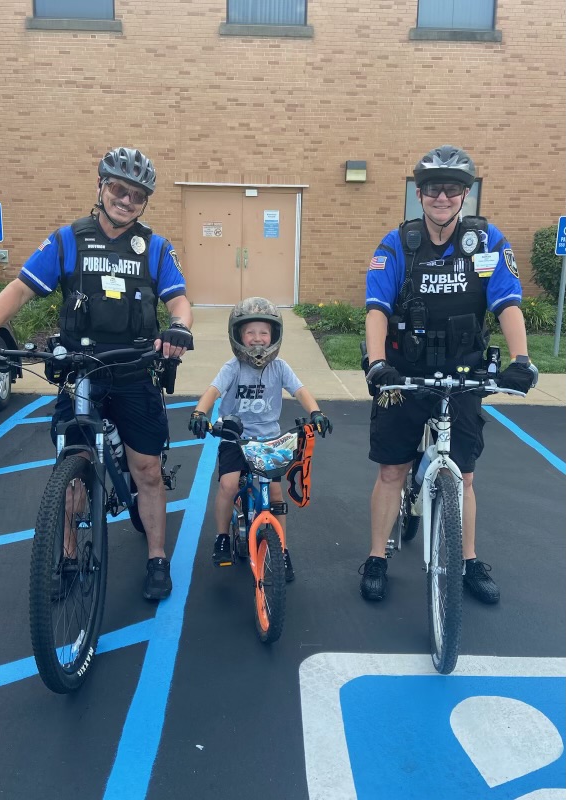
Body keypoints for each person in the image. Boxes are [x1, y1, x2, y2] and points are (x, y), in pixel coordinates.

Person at [0, 146, 194, 601]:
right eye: (118, 189)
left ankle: (156, 558)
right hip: (80, 370)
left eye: (136, 195)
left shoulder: (155, 247)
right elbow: (21, 287)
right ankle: (69, 555)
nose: (126, 201)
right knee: (72, 467)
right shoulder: (68, 240)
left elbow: (179, 301)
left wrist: (178, 328)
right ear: (100, 187)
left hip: (132, 368)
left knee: (146, 469)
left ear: (144, 202)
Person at [360, 144, 537, 604]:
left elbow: (506, 304)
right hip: (404, 373)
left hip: (463, 374)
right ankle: (377, 555)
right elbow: (376, 308)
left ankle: (468, 560)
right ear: (420, 194)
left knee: (465, 475)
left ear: (465, 194)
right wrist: (377, 362)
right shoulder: (398, 244)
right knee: (391, 470)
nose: (443, 197)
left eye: (453, 189)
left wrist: (521, 360)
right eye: (434, 189)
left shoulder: (488, 241)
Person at [188, 296, 332, 580]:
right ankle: (222, 538)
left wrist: (315, 411)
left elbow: (300, 391)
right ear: (238, 335)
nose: (257, 339)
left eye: (263, 332)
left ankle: (283, 550)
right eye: (250, 332)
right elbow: (213, 392)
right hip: (234, 438)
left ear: (274, 336)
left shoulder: (279, 367)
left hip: (268, 442)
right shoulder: (232, 367)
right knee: (229, 485)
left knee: (275, 494)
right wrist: (199, 412)